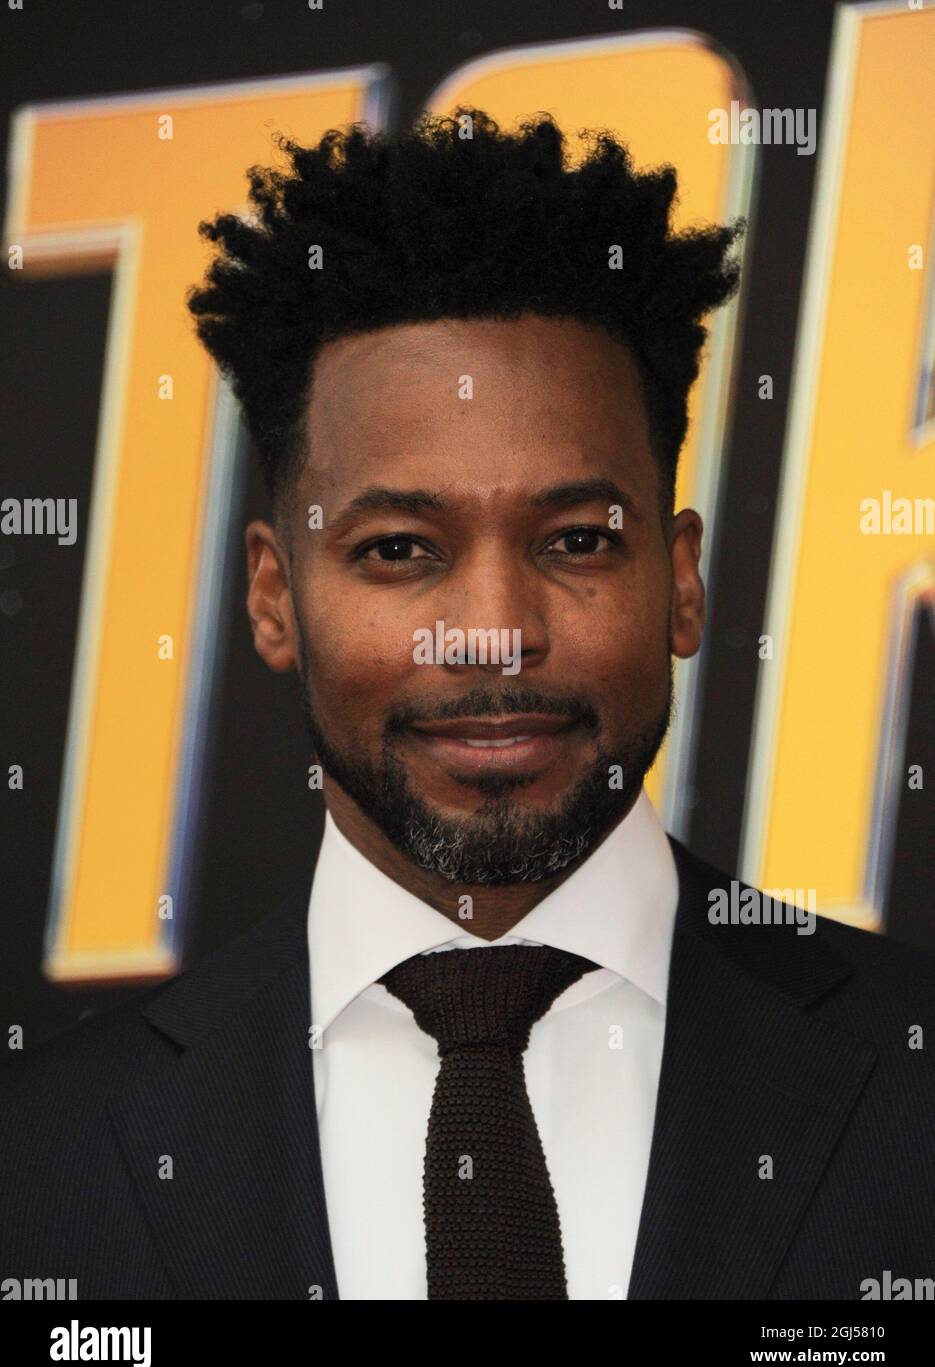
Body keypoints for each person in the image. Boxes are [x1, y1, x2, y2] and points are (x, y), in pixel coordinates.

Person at [2, 110, 933, 1301]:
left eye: (575, 539)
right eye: (399, 549)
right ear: (275, 596)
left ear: (682, 582)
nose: (492, 628)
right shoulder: (41, 1165)